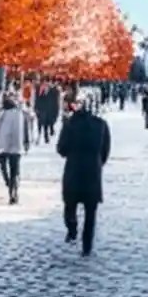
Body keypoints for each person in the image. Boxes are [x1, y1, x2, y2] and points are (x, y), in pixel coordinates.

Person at [57, 100, 111, 257]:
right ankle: (87, 245)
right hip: (92, 172)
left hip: (73, 169)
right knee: (90, 212)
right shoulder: (101, 125)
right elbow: (105, 150)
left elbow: (62, 149)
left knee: (69, 204)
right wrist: (98, 162)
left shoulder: (70, 124)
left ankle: (72, 228)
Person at [0, 92, 29, 204]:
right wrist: (26, 143)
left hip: (3, 145)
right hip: (17, 146)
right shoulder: (21, 114)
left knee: (4, 167)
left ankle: (9, 185)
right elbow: (26, 130)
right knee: (14, 169)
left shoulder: (2, 113)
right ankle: (14, 189)